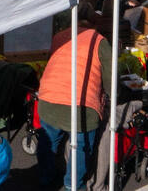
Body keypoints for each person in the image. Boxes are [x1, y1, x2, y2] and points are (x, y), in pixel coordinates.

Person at [37, 16, 107, 190]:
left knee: (48, 140)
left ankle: (45, 177)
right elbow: (111, 80)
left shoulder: (59, 36)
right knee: (82, 146)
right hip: (82, 106)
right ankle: (73, 184)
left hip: (49, 99)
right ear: (93, 23)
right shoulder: (99, 41)